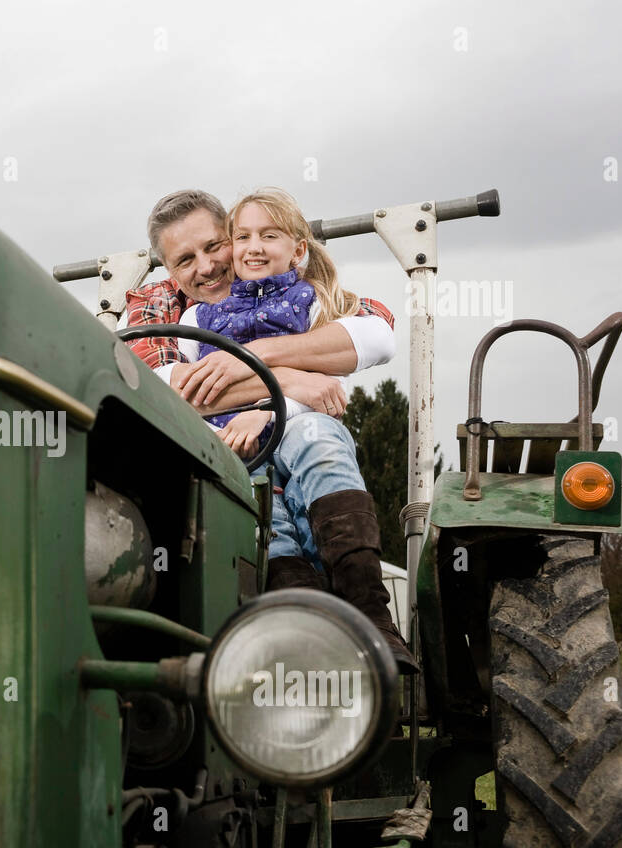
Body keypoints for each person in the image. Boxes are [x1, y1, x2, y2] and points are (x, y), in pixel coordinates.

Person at [121, 188, 418, 674]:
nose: (207, 266)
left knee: (318, 447)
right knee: (262, 506)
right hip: (232, 453)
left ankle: (370, 611)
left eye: (215, 246)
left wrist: (255, 360)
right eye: (185, 260)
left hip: (303, 440)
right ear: (168, 271)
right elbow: (168, 389)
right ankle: (297, 628)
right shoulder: (176, 310)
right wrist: (290, 381)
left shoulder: (298, 288)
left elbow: (375, 330)